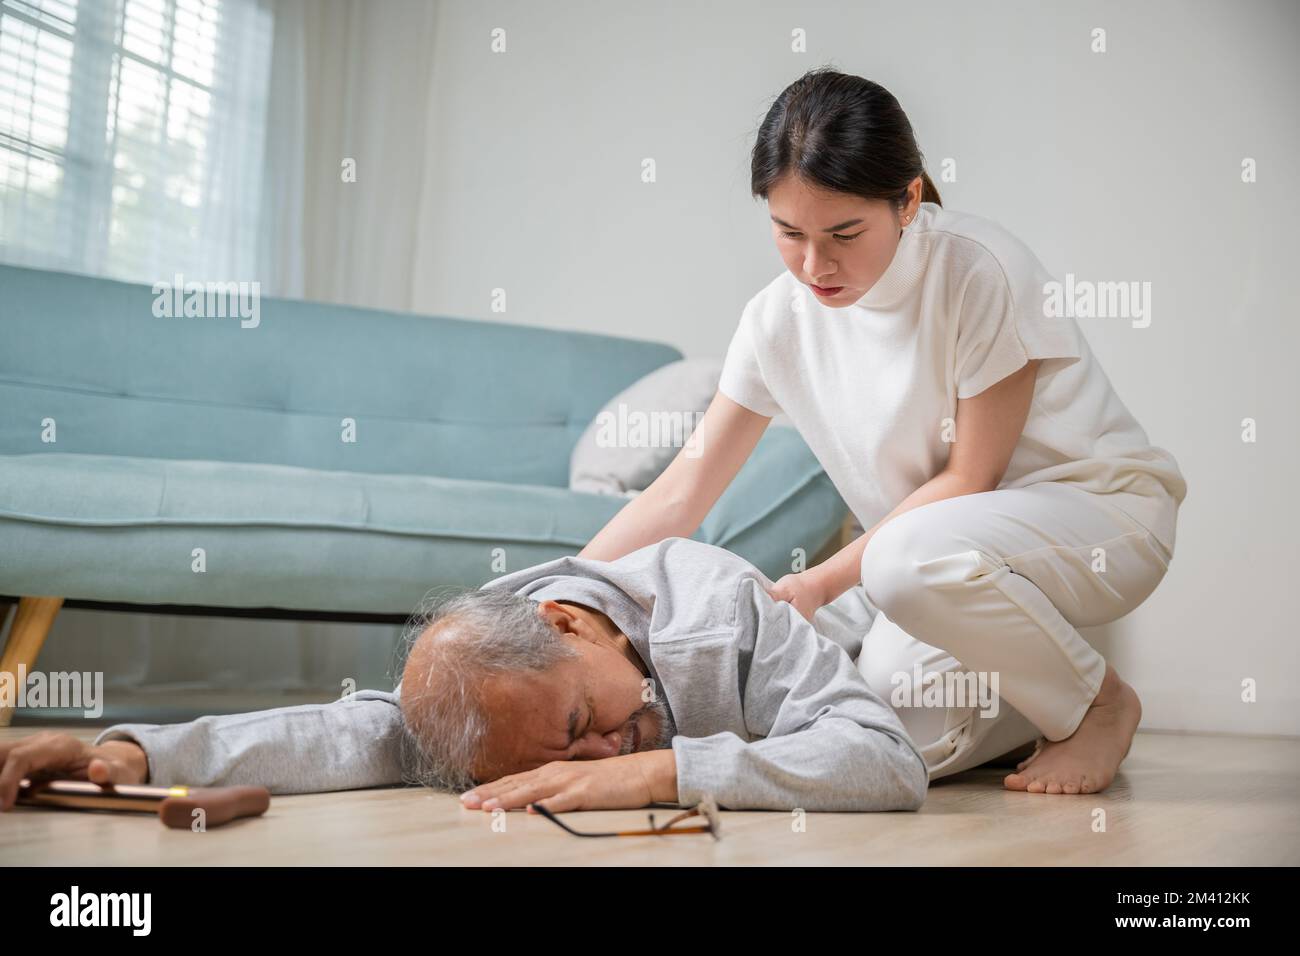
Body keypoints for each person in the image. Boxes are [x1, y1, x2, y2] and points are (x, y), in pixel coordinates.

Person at [578, 67, 1185, 796]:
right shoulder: (776, 322)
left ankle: (1098, 704)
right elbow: (680, 493)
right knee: (882, 730)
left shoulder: (978, 269)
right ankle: (1032, 696)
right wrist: (549, 599)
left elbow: (970, 479)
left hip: (1097, 521)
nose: (814, 264)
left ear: (908, 199)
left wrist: (820, 584)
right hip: (931, 567)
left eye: (843, 233)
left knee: (900, 566)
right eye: (788, 232)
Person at [0, 538, 928, 814]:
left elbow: (885, 761)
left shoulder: (715, 609)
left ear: (568, 624)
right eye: (581, 749)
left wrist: (660, 771)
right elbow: (350, 731)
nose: (600, 752)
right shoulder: (493, 680)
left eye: (579, 726)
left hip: (888, 647)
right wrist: (124, 746)